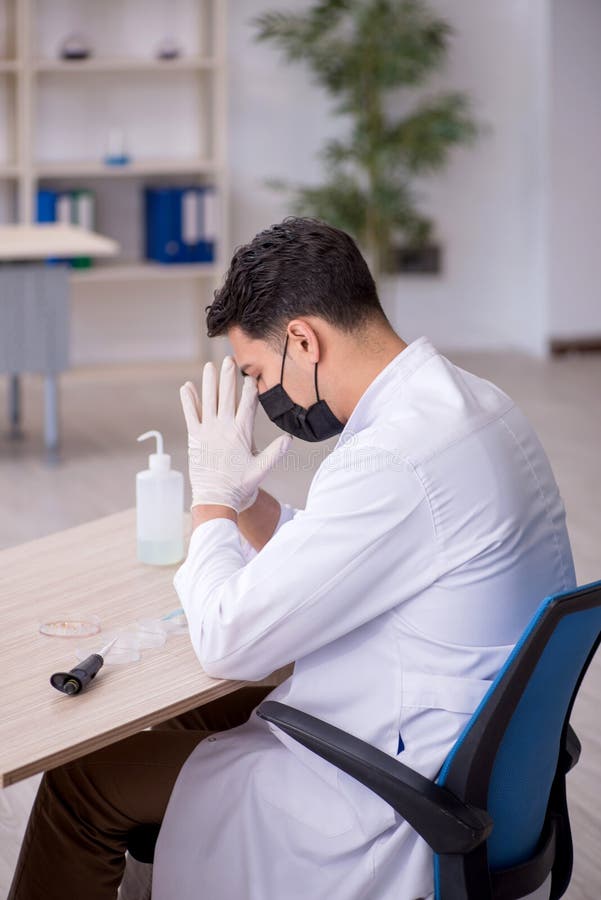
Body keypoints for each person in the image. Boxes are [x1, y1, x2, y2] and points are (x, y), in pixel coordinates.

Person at [8, 217, 575, 900]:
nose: (262, 397)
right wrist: (247, 500)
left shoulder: (394, 458)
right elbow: (351, 551)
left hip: (389, 797)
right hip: (458, 749)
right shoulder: (471, 404)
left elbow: (225, 640)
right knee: (187, 722)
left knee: (81, 781)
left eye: (256, 373)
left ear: (303, 340)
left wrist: (212, 500)